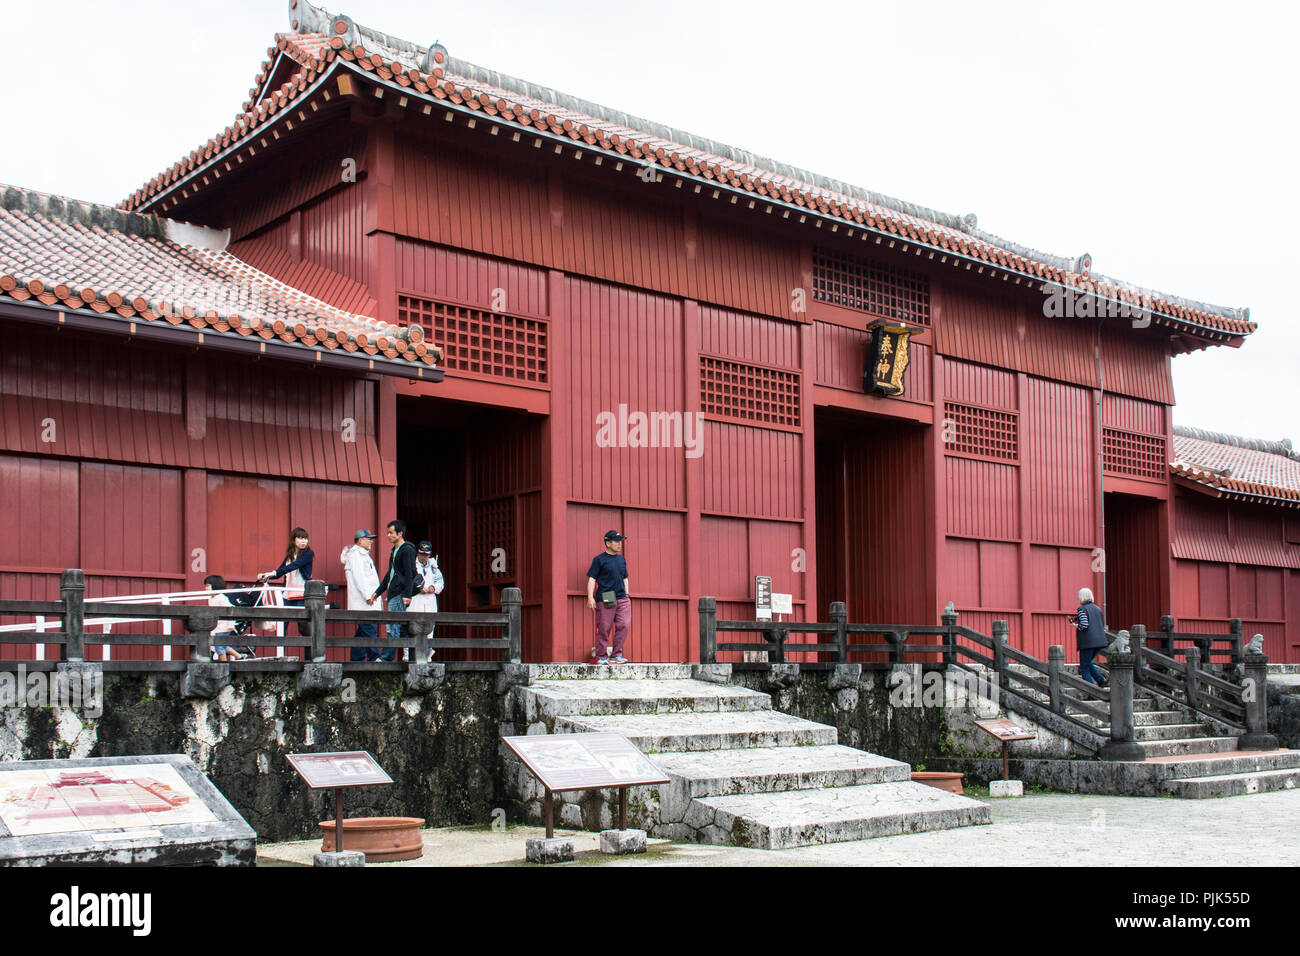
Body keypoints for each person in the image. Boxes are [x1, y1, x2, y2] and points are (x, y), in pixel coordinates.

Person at [371, 520, 418, 663]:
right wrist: (378, 592)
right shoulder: (395, 550)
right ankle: (417, 652)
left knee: (392, 625)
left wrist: (407, 594)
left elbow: (410, 573)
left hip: (400, 592)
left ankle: (386, 657)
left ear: (400, 533)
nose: (388, 535)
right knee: (400, 627)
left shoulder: (407, 549)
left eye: (391, 532)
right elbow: (390, 574)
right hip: (394, 591)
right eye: (388, 532)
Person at [258, 527, 314, 639]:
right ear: (294, 540)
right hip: (288, 594)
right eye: (300, 538)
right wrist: (266, 576)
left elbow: (294, 566)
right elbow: (281, 571)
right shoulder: (290, 556)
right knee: (282, 625)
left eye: (305, 538)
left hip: (301, 594)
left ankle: (312, 655)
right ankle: (280, 653)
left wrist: (273, 573)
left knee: (304, 626)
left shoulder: (308, 553)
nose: (304, 541)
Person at [586, 530, 630, 665]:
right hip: (607, 597)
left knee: (624, 625)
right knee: (604, 627)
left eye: (620, 541)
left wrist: (627, 594)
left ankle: (617, 655)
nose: (619, 544)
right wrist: (590, 597)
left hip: (622, 597)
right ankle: (601, 656)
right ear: (608, 543)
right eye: (617, 541)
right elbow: (592, 578)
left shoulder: (621, 559)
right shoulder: (599, 559)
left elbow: (625, 577)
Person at [341, 529, 382, 662]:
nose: (371, 541)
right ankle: (374, 656)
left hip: (367, 600)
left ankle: (356, 658)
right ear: (359, 540)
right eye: (368, 538)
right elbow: (360, 578)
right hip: (365, 601)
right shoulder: (356, 555)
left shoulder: (362, 555)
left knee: (363, 631)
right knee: (369, 628)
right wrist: (367, 596)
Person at [409, 541, 445, 662]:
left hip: (429, 600)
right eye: (421, 554)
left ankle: (427, 656)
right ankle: (409, 656)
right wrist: (419, 589)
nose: (424, 557)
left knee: (429, 629)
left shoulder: (434, 567)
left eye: (426, 554)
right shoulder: (411, 565)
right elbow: (407, 581)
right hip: (416, 600)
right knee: (413, 627)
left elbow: (440, 582)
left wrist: (433, 588)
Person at [204, 574, 247, 662]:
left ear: (215, 586)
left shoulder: (221, 598)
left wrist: (230, 624)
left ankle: (223, 664)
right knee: (220, 644)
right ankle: (239, 656)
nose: (206, 588)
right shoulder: (211, 598)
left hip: (224, 626)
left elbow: (230, 608)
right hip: (217, 626)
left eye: (208, 586)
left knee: (219, 647)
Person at [1072, 586, 1108, 687]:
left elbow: (1084, 625)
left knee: (1084, 667)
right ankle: (1100, 679)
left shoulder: (1081, 609)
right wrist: (1076, 618)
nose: (1078, 600)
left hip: (1088, 642)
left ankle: (1091, 692)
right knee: (1087, 662)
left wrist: (1075, 625)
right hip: (1100, 641)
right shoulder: (1098, 609)